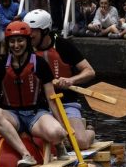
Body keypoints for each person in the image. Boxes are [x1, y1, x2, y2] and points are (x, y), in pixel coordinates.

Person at [0, 21, 67, 167]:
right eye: (12, 42)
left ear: (27, 41)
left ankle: (59, 145)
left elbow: (52, 98)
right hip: (12, 116)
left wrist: (63, 125)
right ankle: (26, 155)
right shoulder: (0, 66)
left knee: (58, 132)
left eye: (20, 40)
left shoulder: (40, 64)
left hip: (36, 115)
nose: (16, 45)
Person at [26, 9, 95, 149]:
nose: (29, 35)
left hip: (66, 103)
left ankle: (90, 130)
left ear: (44, 31)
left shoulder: (63, 45)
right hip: (40, 107)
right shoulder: (24, 48)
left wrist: (71, 80)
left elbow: (90, 71)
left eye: (33, 31)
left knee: (80, 143)